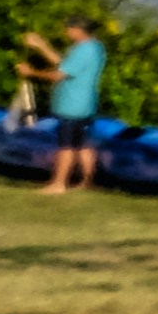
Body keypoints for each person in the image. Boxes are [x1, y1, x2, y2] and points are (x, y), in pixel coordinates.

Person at [41, 21, 109, 194]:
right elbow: (65, 64)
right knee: (83, 144)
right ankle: (87, 182)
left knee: (66, 145)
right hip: (87, 104)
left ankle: (58, 184)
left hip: (72, 105)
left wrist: (31, 72)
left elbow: (59, 75)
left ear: (77, 30)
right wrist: (41, 46)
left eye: (69, 29)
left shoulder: (82, 50)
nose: (66, 33)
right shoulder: (96, 48)